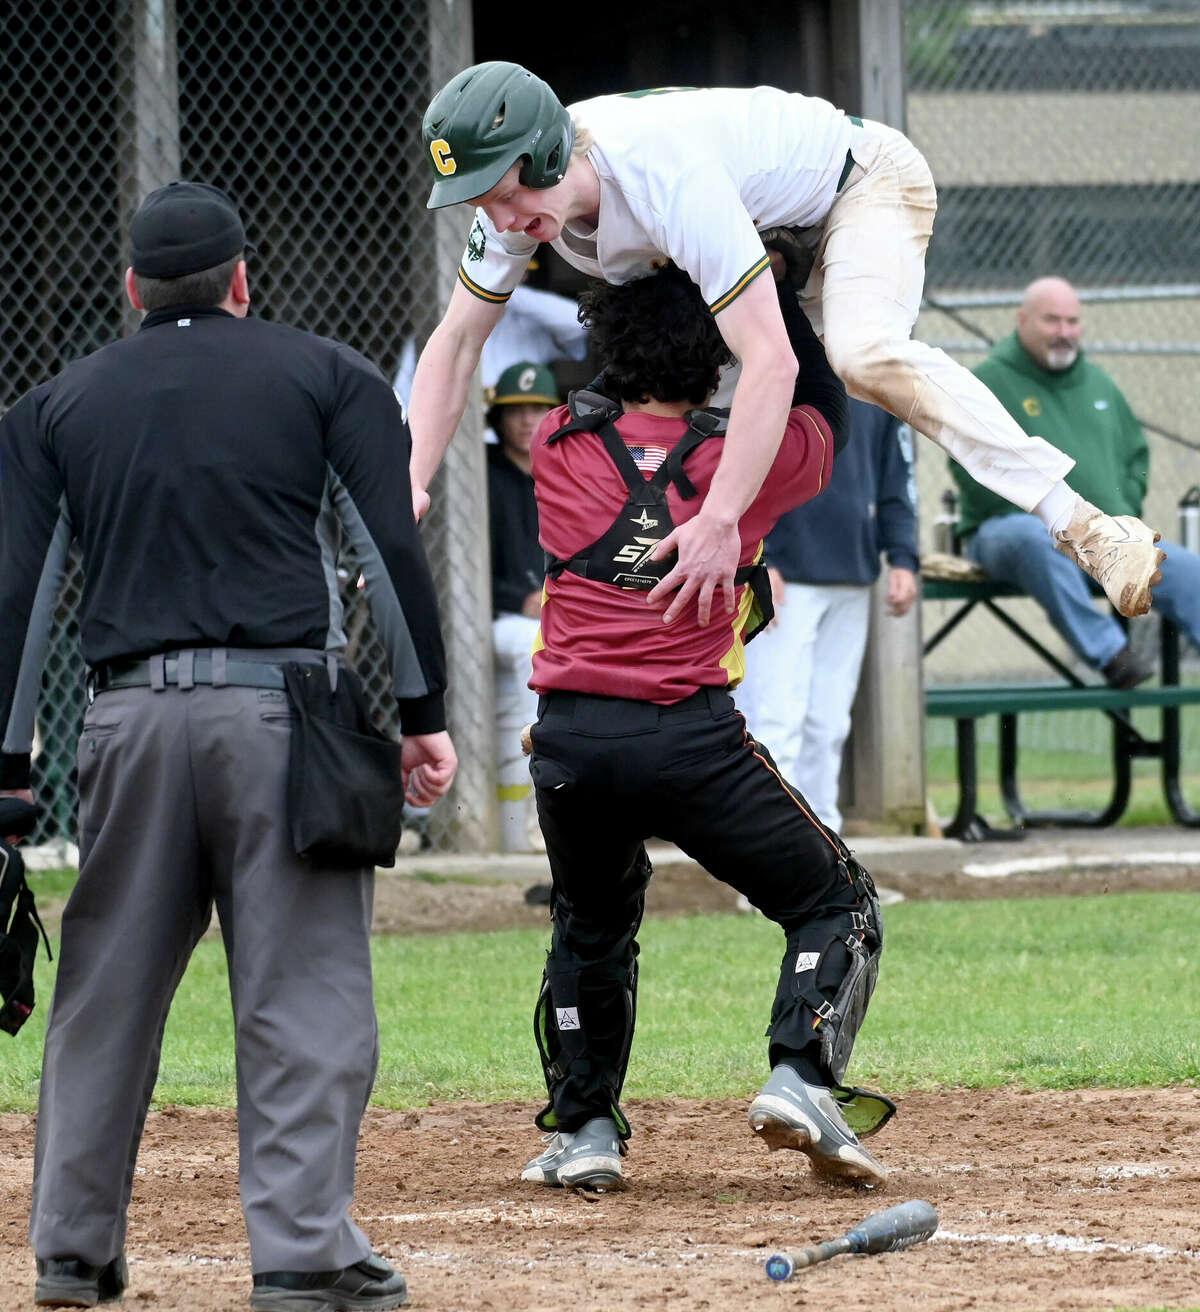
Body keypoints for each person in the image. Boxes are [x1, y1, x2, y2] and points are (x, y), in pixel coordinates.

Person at [0, 181, 457, 1311]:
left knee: (104, 987)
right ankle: (302, 1253)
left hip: (125, 722)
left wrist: (6, 772)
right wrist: (421, 712)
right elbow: (388, 546)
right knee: (301, 988)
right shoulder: (328, 376)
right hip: (280, 716)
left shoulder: (55, 406)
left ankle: (70, 1251)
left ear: (132, 290)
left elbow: (20, 591)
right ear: (245, 280)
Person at [407, 60, 1164, 634]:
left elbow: (774, 359)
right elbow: (455, 344)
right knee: (672, 420)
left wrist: (723, 520)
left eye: (503, 194)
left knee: (860, 355)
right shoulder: (514, 208)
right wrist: (407, 483)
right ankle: (622, 682)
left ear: (545, 154)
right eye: (480, 202)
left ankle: (1085, 525)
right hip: (763, 232)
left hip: (858, 185)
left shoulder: (666, 178)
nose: (499, 222)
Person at [515, 262, 893, 1195]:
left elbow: (611, 391)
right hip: (690, 743)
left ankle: (585, 1129)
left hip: (569, 742)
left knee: (590, 925)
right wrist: (770, 293)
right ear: (716, 359)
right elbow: (825, 410)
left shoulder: (558, 441)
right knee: (837, 902)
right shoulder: (747, 461)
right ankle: (800, 1075)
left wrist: (635, 307)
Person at [951, 276, 1200, 688]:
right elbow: (968, 465)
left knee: (1188, 569)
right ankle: (1111, 655)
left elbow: (1136, 456)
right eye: (1052, 320)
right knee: (1033, 538)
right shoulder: (988, 382)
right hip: (1009, 535)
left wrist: (1123, 510)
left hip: (1105, 540)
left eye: (1072, 321)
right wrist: (1053, 519)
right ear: (1022, 320)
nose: (1064, 332)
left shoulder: (1101, 384)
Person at [739, 399, 918, 831]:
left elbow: (898, 479)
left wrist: (903, 557)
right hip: (785, 577)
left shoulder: (874, 388)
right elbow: (740, 467)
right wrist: (761, 556)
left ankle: (826, 842)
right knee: (777, 719)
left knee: (830, 723)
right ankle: (772, 844)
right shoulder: (782, 375)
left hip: (851, 574)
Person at [486, 361, 560, 851]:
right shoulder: (480, 474)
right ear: (498, 418)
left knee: (514, 711)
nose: (527, 419)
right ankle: (534, 818)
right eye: (516, 409)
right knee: (528, 653)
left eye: (537, 408)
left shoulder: (565, 474)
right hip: (497, 619)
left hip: (550, 623)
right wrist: (518, 598)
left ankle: (527, 826)